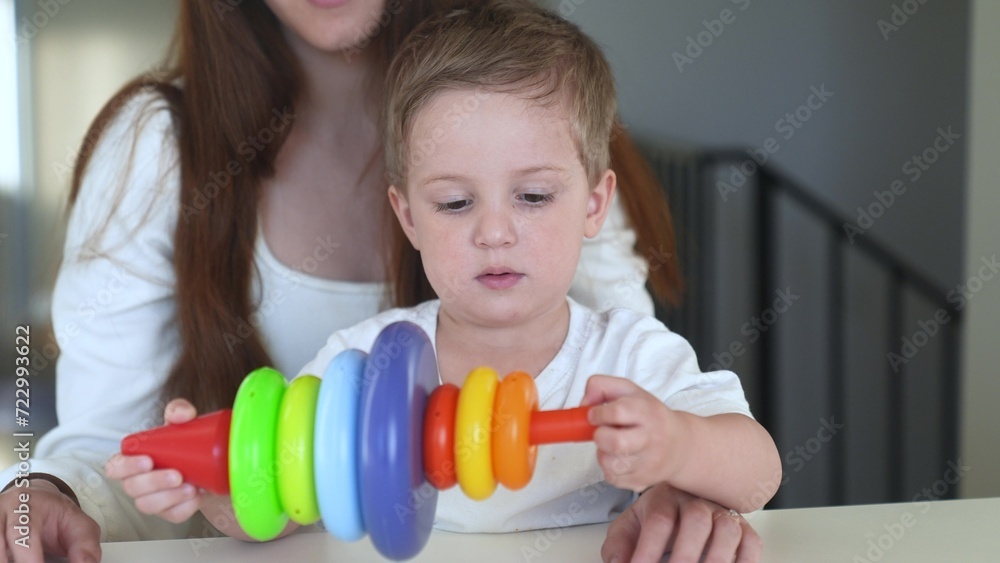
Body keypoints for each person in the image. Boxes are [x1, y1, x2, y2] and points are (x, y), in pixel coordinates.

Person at [106, 2, 781, 561]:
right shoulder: (361, 362)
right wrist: (212, 485)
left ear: (596, 206)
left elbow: (759, 469)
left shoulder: (628, 358)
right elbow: (282, 503)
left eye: (535, 197)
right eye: (456, 203)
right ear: (408, 217)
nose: (494, 231)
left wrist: (678, 443)